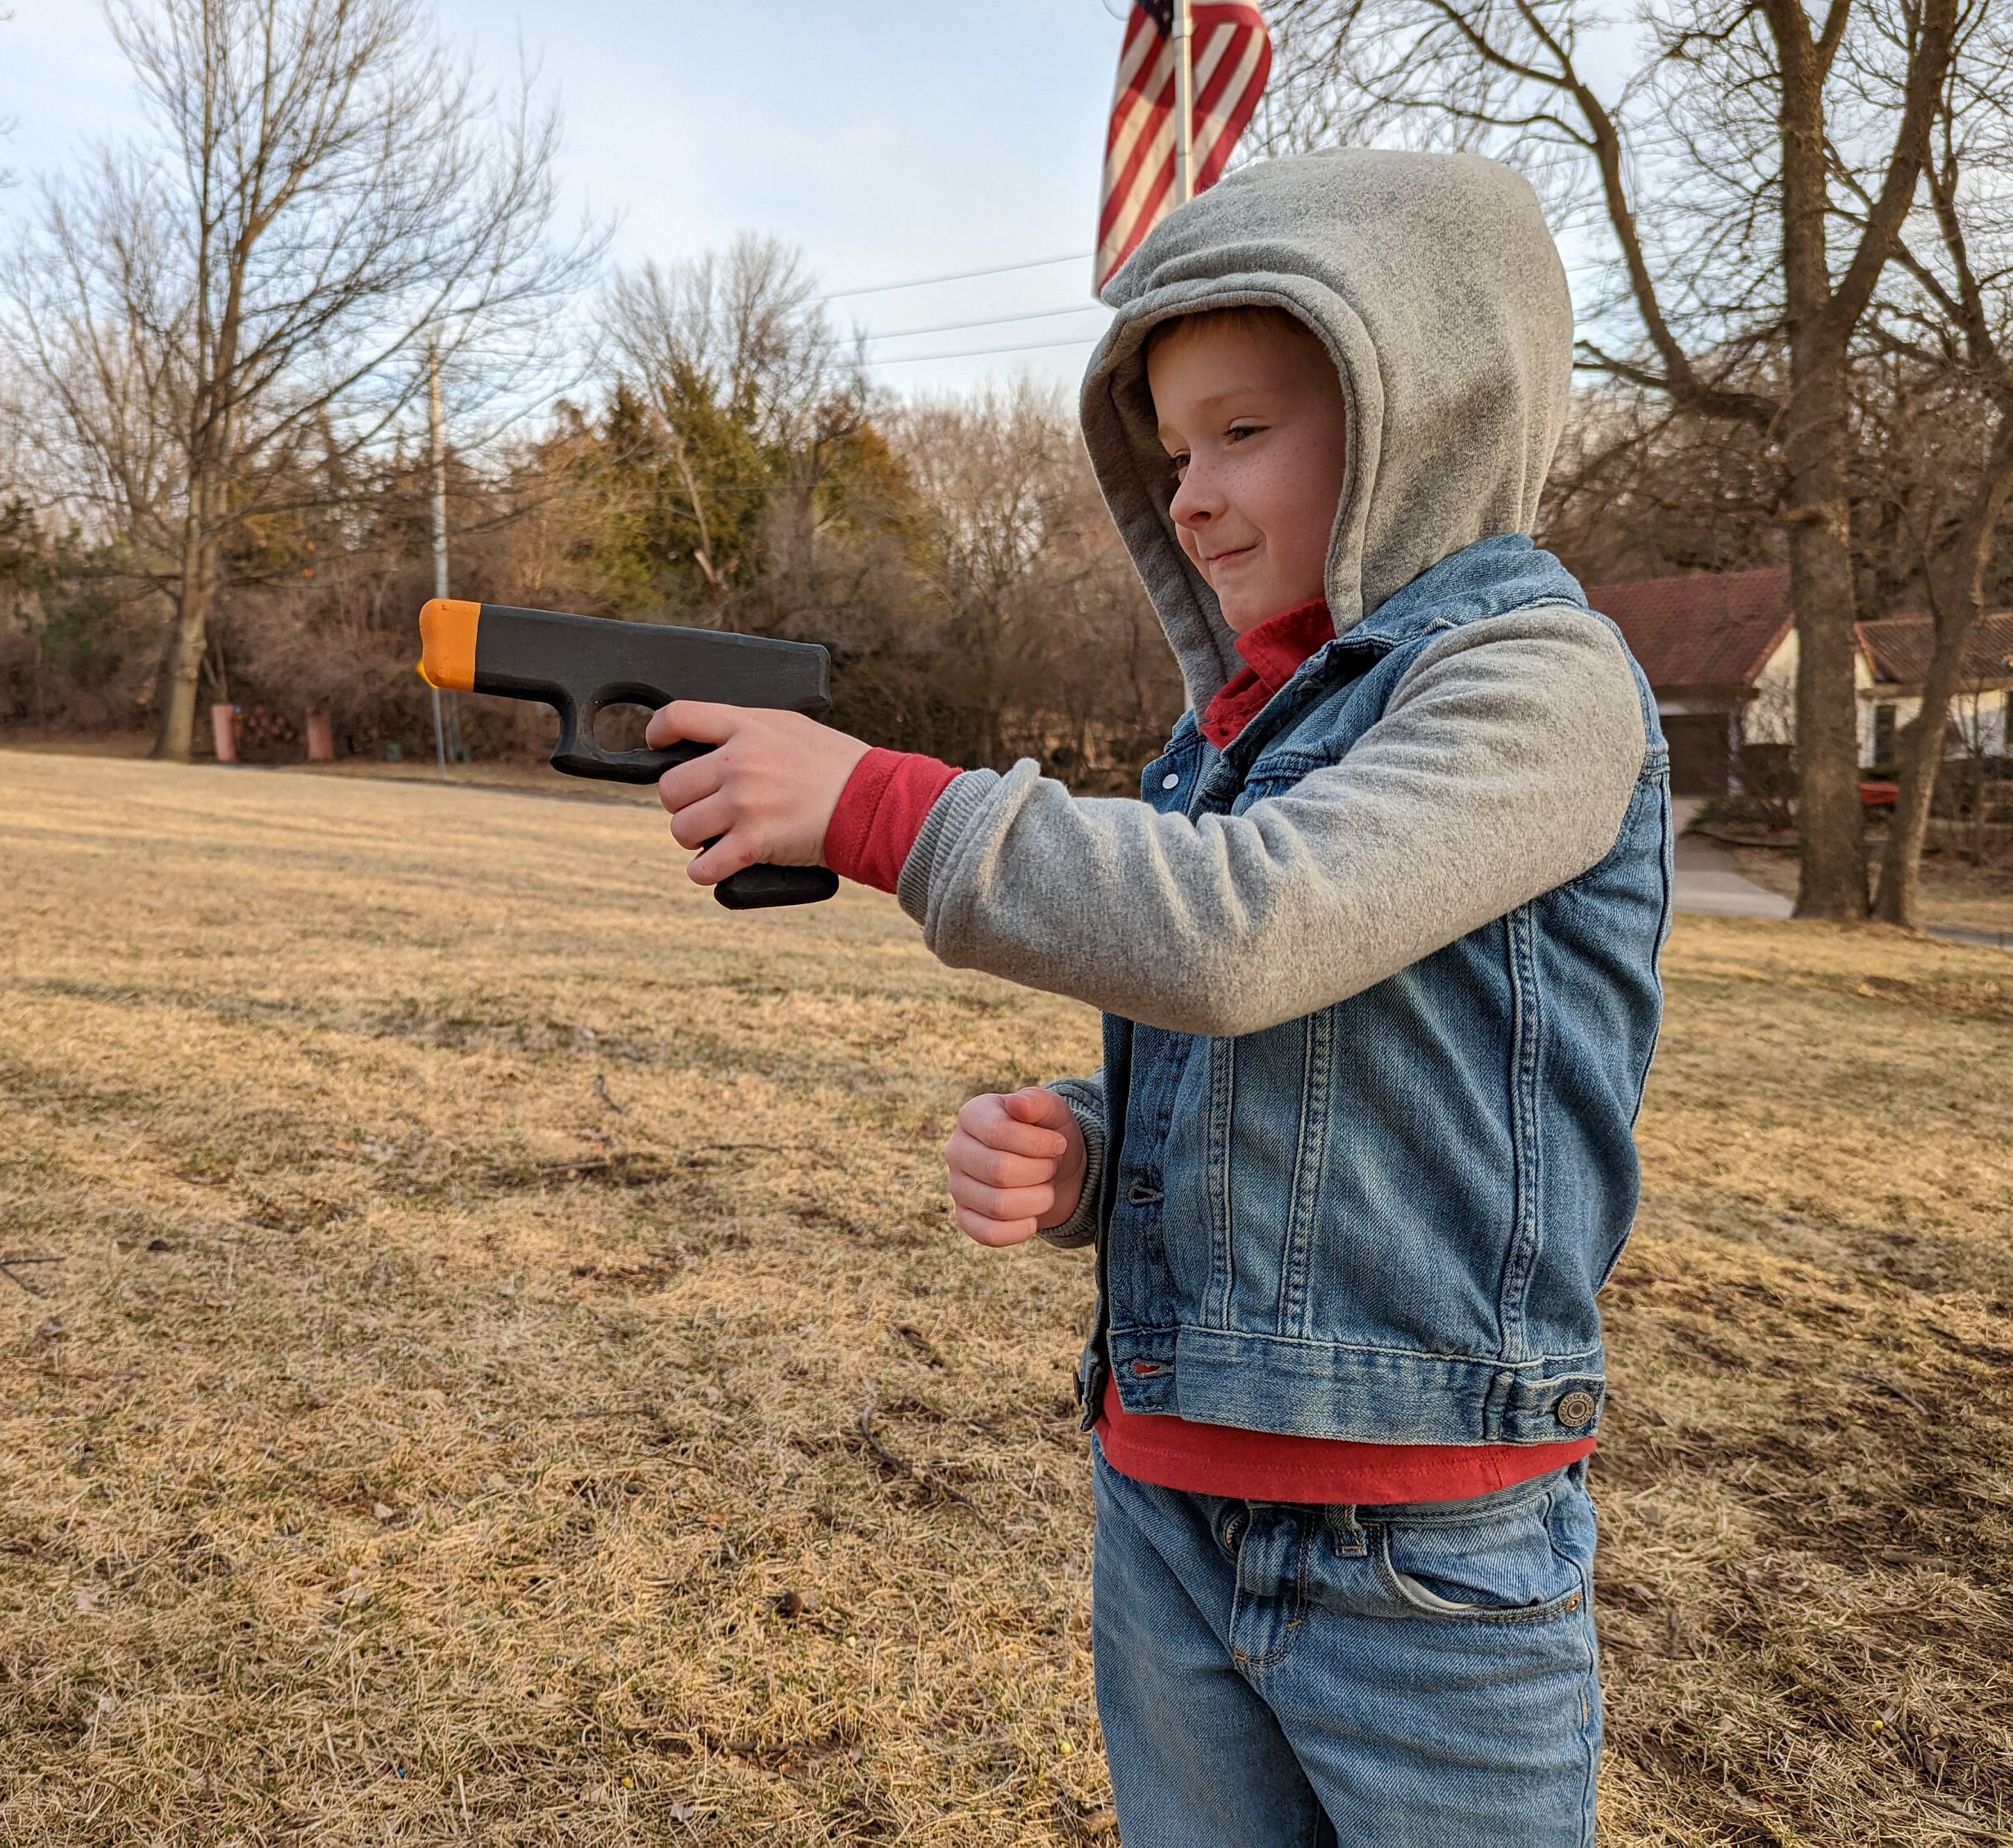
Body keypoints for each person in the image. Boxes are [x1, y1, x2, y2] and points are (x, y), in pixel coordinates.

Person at [644, 147, 1669, 1847]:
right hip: (1169, 1503)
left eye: (1245, 431)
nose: (1189, 496)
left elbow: (1247, 931)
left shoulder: (1538, 686)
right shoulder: (1218, 746)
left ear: (1425, 400)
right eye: (1175, 448)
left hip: (1425, 1552)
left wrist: (887, 803)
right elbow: (1285, 1056)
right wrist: (1098, 1153)